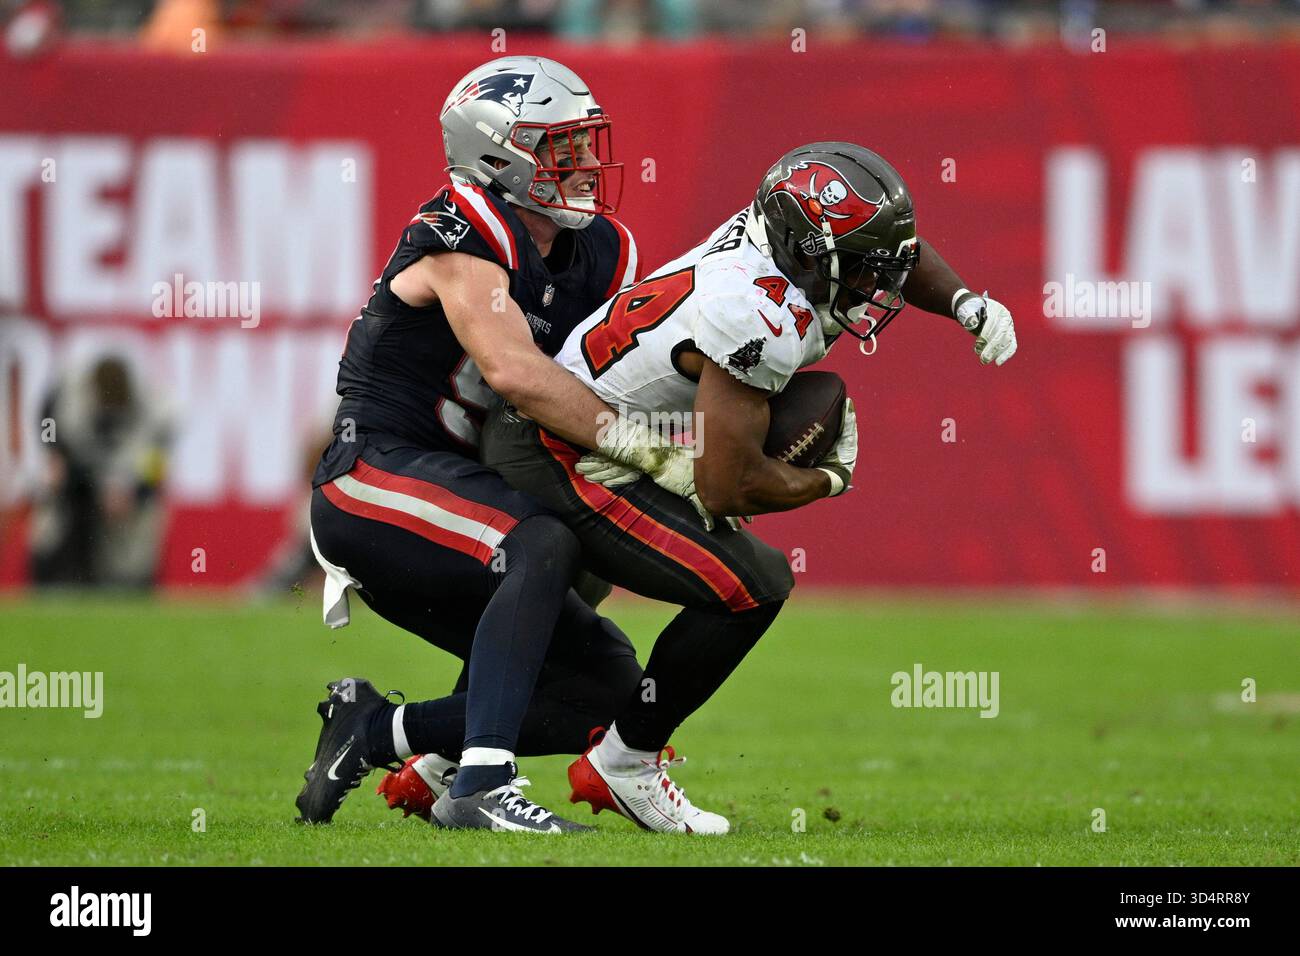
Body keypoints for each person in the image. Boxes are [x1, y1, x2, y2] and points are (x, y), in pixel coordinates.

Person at [462, 141, 1019, 834]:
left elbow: (898, 252)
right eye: (865, 268)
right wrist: (828, 478)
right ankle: (625, 763)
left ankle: (405, 748)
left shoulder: (779, 239)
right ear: (806, 254)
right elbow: (726, 488)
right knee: (752, 583)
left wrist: (964, 302)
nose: (882, 284)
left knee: (562, 633)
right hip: (563, 446)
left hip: (600, 430)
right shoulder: (754, 309)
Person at [296, 55, 703, 834]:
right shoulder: (461, 228)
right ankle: (481, 782)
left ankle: (378, 731)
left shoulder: (606, 251)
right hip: (372, 478)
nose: (585, 165)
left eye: (586, 145)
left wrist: (716, 435)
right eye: (561, 148)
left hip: (468, 492)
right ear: (498, 155)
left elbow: (622, 382)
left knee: (612, 690)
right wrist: (648, 451)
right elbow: (515, 373)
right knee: (542, 540)